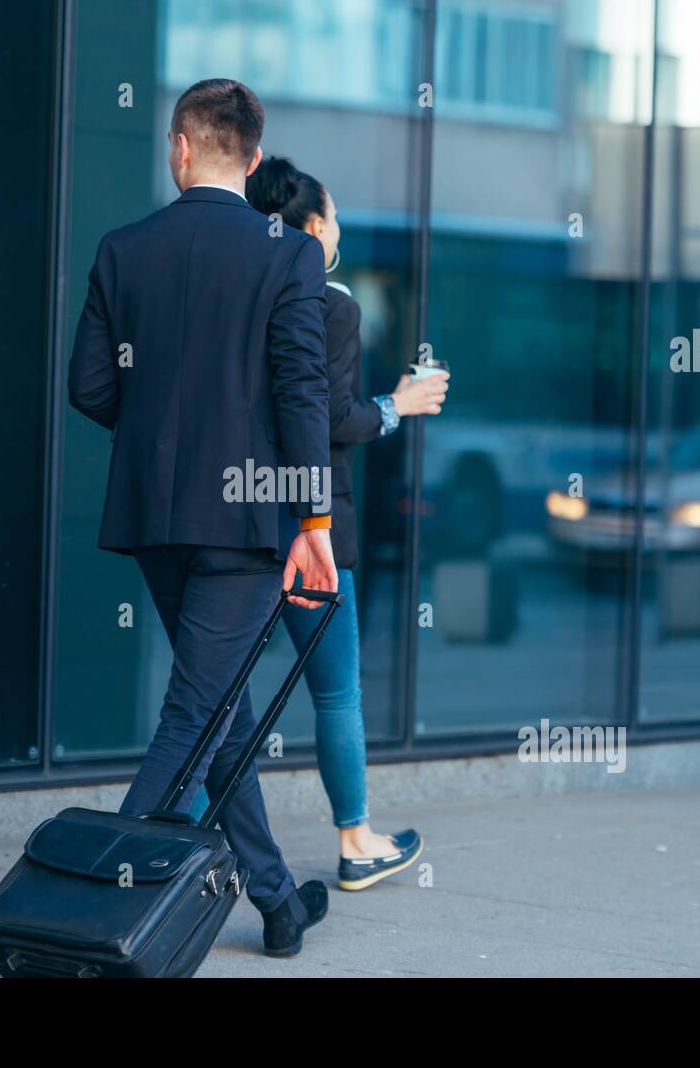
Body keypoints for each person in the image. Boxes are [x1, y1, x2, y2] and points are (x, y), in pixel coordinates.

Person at [69, 78, 338, 957]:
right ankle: (94, 910)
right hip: (249, 522)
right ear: (253, 160)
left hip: (155, 516)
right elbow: (301, 392)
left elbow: (91, 387)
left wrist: (158, 443)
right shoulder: (286, 255)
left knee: (215, 701)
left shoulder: (123, 246)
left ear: (179, 148)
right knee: (198, 711)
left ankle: (274, 899)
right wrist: (315, 523)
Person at [189, 157, 450, 890]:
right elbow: (329, 416)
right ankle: (357, 839)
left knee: (218, 693)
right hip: (314, 525)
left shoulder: (234, 293)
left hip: (237, 519)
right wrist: (400, 405)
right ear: (310, 228)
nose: (338, 230)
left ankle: (188, 831)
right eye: (332, 217)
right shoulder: (330, 302)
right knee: (335, 689)